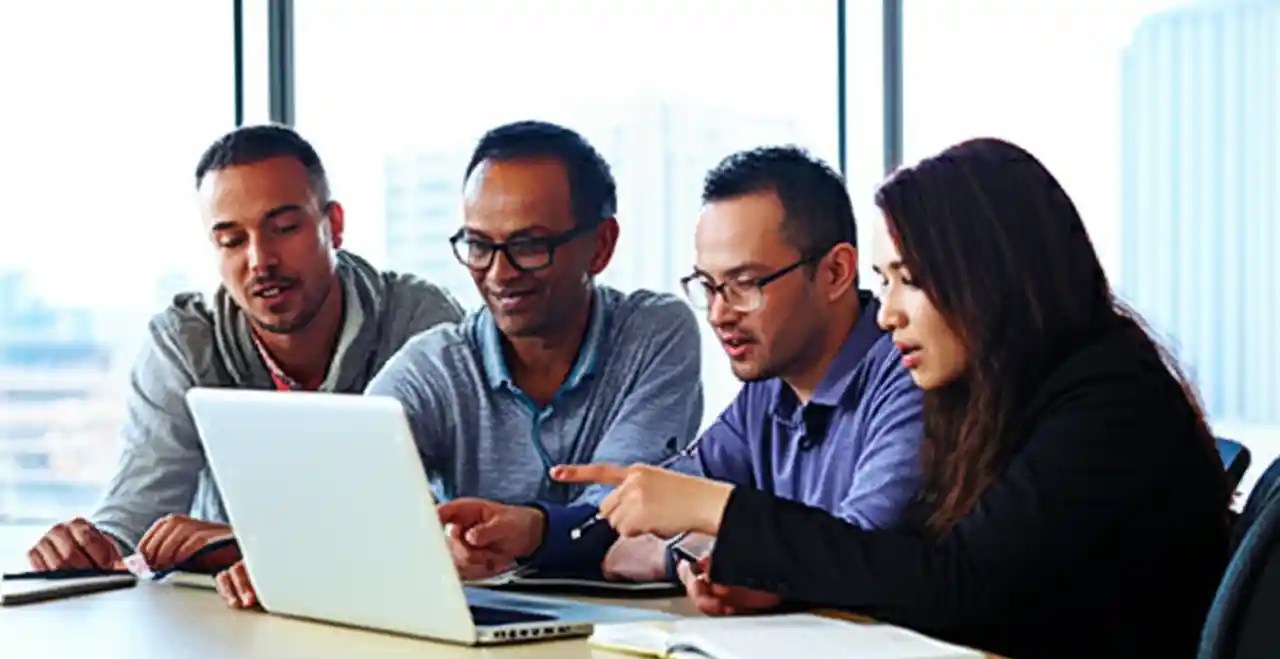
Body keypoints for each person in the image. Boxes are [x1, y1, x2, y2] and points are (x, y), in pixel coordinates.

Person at [554, 137, 1230, 659]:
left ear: (988, 278)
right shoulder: (1001, 400)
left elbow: (953, 584)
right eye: (887, 279)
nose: (885, 313)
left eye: (908, 280)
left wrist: (718, 511)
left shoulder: (1109, 403)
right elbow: (914, 565)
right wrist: (775, 577)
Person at [212, 120, 703, 609]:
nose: (499, 273)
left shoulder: (654, 333)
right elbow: (342, 489)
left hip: (632, 631)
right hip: (484, 638)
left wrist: (532, 532)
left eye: (529, 246)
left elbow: (626, 510)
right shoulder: (437, 365)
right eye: (479, 246)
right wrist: (294, 555)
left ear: (600, 245)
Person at [25, 124, 464, 575]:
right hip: (229, 616)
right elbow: (141, 504)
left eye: (285, 228)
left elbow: (451, 516)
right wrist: (92, 548)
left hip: (386, 595)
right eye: (232, 240)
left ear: (333, 226)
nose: (260, 260)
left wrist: (249, 544)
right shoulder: (186, 342)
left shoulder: (417, 322)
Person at [599, 146, 924, 583]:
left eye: (745, 284)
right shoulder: (770, 387)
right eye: (708, 286)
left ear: (835, 272)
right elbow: (650, 511)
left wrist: (712, 543)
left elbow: (860, 554)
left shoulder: (908, 371)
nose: (718, 314)